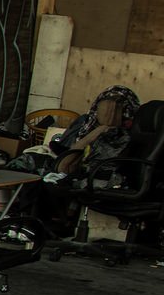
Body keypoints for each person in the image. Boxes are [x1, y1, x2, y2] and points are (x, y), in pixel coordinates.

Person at [8, 85, 142, 237]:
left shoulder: (120, 136)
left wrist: (100, 131)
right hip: (74, 166)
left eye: (110, 108)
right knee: (25, 164)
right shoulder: (87, 123)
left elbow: (77, 162)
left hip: (98, 176)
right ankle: (24, 220)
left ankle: (40, 226)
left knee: (47, 180)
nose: (102, 112)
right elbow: (68, 153)